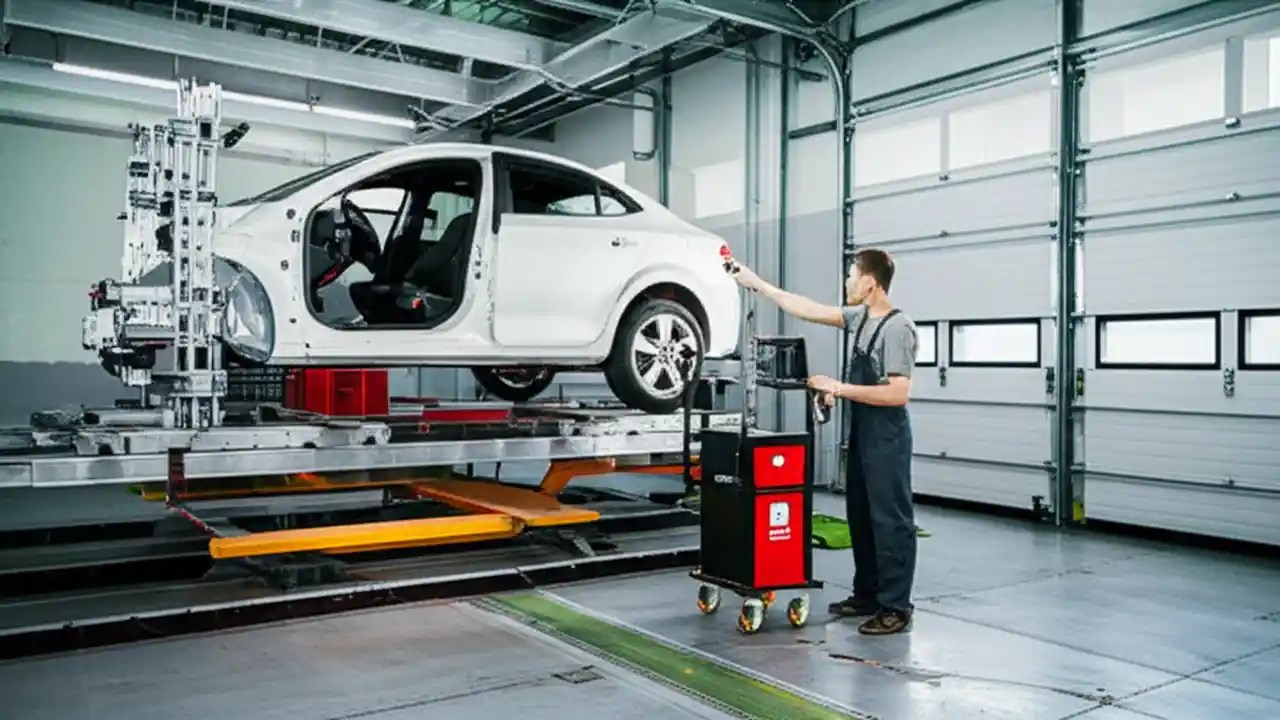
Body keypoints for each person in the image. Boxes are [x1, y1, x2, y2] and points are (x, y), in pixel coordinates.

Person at [730, 248, 918, 635]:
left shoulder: (898, 328)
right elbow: (807, 309)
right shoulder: (859, 318)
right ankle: (867, 594)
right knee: (861, 516)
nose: (847, 283)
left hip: (888, 436)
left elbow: (898, 393)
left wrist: (838, 386)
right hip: (863, 431)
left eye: (852, 276)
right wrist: (757, 283)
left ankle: (896, 607)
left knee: (890, 520)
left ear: (870, 282)